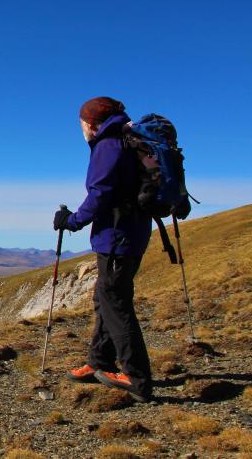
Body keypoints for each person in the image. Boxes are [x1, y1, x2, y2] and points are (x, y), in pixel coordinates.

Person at [53, 96, 153, 402]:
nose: (81, 129)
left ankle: (137, 379)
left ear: (90, 123)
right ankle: (99, 362)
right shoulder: (128, 140)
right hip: (130, 234)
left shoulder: (108, 145)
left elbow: (100, 194)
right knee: (105, 298)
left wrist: (72, 221)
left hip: (117, 238)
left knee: (116, 304)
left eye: (81, 124)